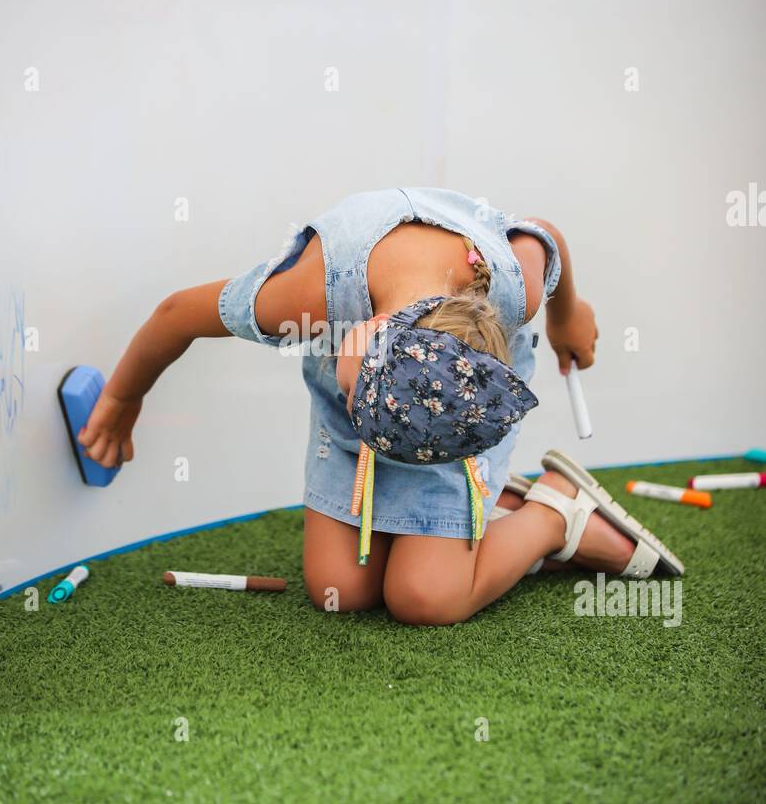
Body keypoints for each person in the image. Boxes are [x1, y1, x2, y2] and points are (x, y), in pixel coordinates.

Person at [78, 187, 682, 625]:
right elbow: (177, 315)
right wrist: (123, 400)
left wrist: (565, 314)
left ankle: (553, 513)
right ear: (360, 335)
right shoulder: (308, 293)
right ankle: (488, 510)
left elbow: (543, 236)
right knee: (341, 590)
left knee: (426, 599)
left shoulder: (507, 294)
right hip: (353, 421)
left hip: (453, 418)